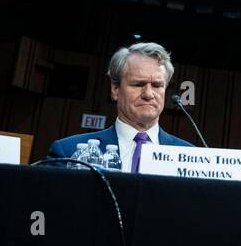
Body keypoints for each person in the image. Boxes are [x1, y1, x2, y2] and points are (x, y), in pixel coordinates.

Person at [47, 42, 192, 169]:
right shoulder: (68, 152)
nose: (148, 94)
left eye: (157, 85)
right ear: (115, 89)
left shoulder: (190, 156)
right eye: (138, 84)